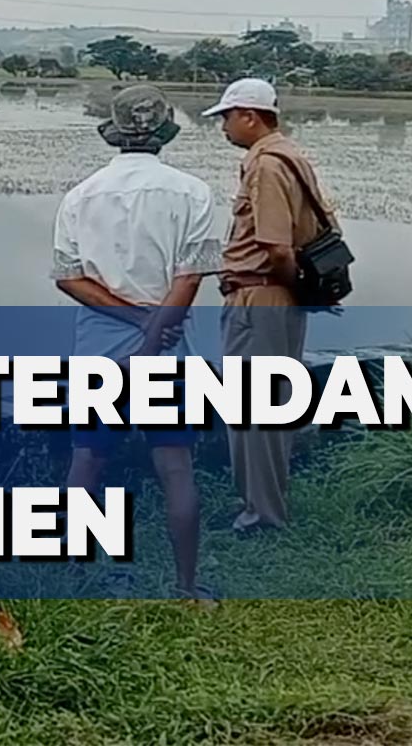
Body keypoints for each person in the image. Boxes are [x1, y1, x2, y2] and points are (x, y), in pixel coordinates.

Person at [52, 84, 221, 605]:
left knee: (86, 460)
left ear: (115, 133)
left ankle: (73, 578)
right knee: (175, 466)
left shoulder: (81, 196)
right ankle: (186, 587)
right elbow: (189, 280)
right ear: (164, 133)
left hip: (98, 352)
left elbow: (68, 278)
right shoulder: (193, 193)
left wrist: (132, 318)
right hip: (167, 351)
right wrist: (152, 331)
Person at [202, 77, 338, 534]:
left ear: (249, 116)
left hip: (259, 296)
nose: (223, 126)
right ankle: (265, 503)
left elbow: (277, 247)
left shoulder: (265, 165)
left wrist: (285, 286)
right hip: (280, 297)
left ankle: (261, 516)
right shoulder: (291, 155)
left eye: (226, 117)